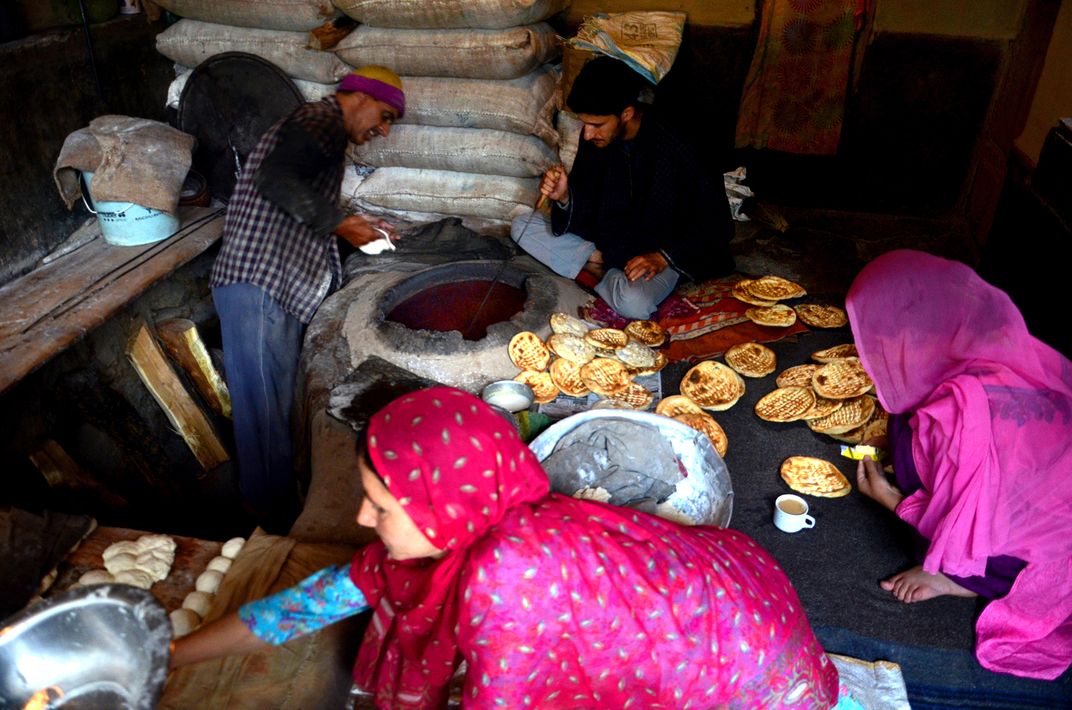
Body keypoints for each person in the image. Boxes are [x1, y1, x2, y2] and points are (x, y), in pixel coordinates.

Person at [172, 386, 843, 708]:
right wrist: (172, 652)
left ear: (444, 509)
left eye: (380, 504)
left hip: (749, 671)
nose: (360, 516)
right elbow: (302, 607)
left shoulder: (508, 577)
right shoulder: (476, 522)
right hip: (736, 586)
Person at [848, 249, 1072, 680]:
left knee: (909, 435)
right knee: (905, 426)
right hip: (1047, 505)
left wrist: (892, 499)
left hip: (1054, 559)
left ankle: (959, 581)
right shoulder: (991, 361)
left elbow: (967, 528)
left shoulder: (952, 422)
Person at [210, 66, 405, 530]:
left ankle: (281, 505)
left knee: (277, 406)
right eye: (384, 115)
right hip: (258, 282)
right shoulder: (320, 121)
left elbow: (299, 196)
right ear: (357, 97)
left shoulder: (326, 135)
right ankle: (267, 523)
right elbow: (277, 180)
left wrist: (357, 225)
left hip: (273, 287)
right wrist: (342, 224)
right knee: (263, 413)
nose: (383, 129)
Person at [511, 56, 736, 320]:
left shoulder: (680, 143)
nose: (587, 134)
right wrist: (565, 197)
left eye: (597, 124)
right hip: (608, 242)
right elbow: (589, 200)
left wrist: (663, 257)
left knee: (634, 303)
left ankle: (598, 271)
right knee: (523, 225)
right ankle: (600, 267)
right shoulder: (596, 139)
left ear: (626, 114)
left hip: (659, 252)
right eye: (585, 124)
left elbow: (717, 224)